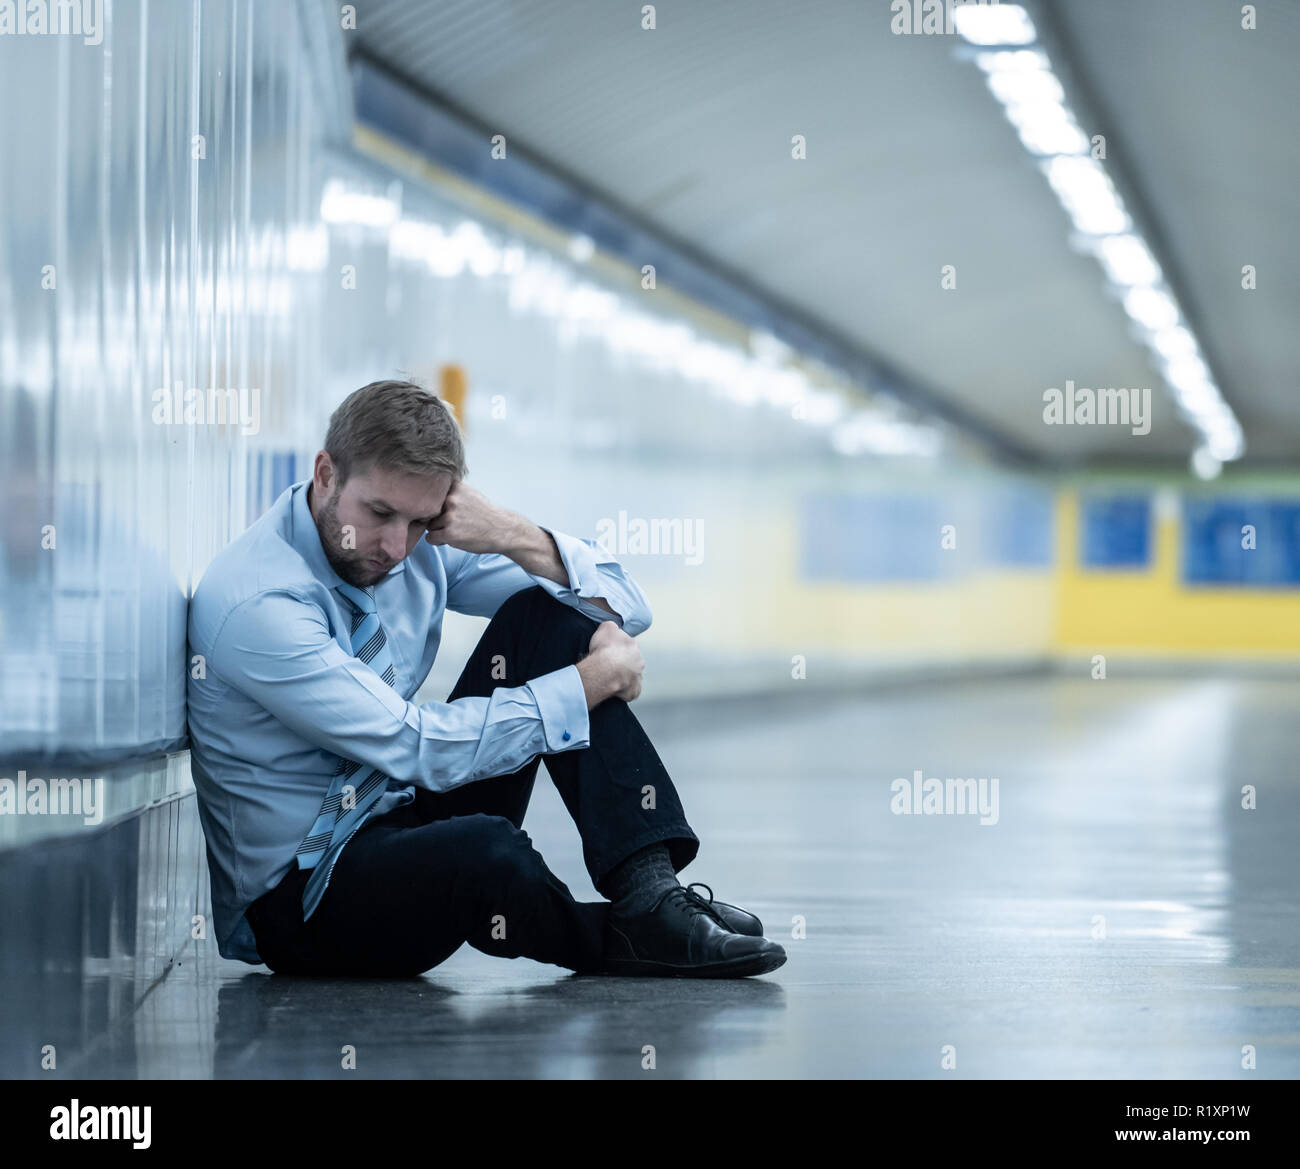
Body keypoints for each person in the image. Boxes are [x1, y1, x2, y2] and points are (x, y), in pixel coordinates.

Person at [187, 379, 786, 979]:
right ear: (325, 474)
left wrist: (510, 532)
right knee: (487, 852)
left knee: (550, 615)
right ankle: (621, 937)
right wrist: (587, 683)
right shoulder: (260, 602)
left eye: (421, 521)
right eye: (379, 514)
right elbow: (413, 744)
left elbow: (627, 607)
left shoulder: (413, 545)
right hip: (304, 900)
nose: (396, 547)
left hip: (395, 818)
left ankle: (650, 892)